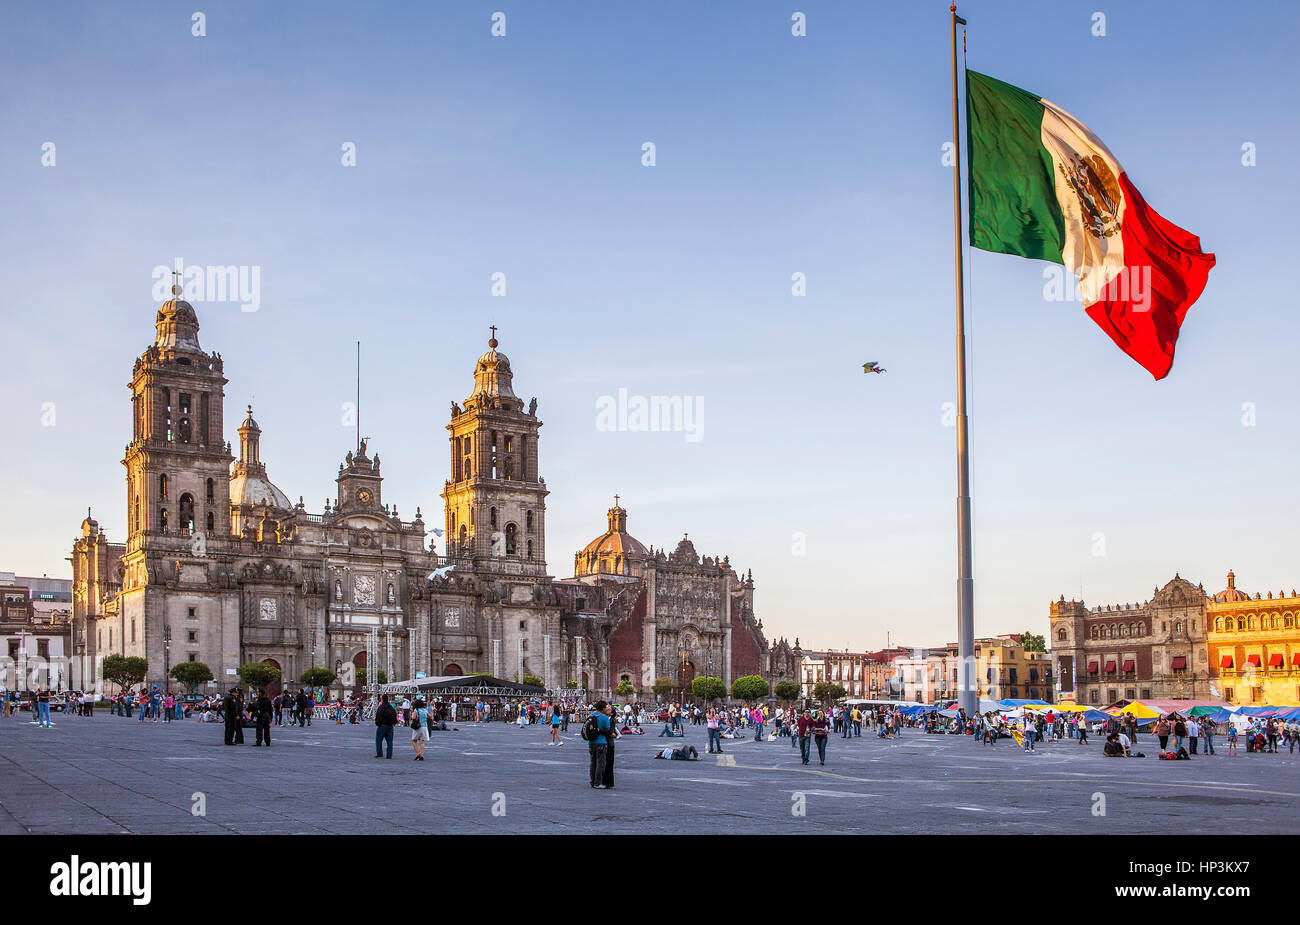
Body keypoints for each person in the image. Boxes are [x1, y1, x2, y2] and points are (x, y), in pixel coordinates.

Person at [588, 700, 611, 789]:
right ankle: (597, 783)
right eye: (605, 707)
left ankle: (592, 781)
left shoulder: (591, 716)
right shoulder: (604, 718)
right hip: (601, 742)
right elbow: (608, 731)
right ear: (603, 708)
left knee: (593, 762)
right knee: (600, 763)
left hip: (591, 742)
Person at [374, 694, 397, 758]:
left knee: (378, 740)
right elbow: (395, 715)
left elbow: (378, 716)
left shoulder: (381, 707)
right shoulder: (391, 707)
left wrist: (377, 723)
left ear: (382, 699)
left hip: (382, 725)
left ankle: (379, 753)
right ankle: (389, 754)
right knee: (389, 741)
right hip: (390, 726)